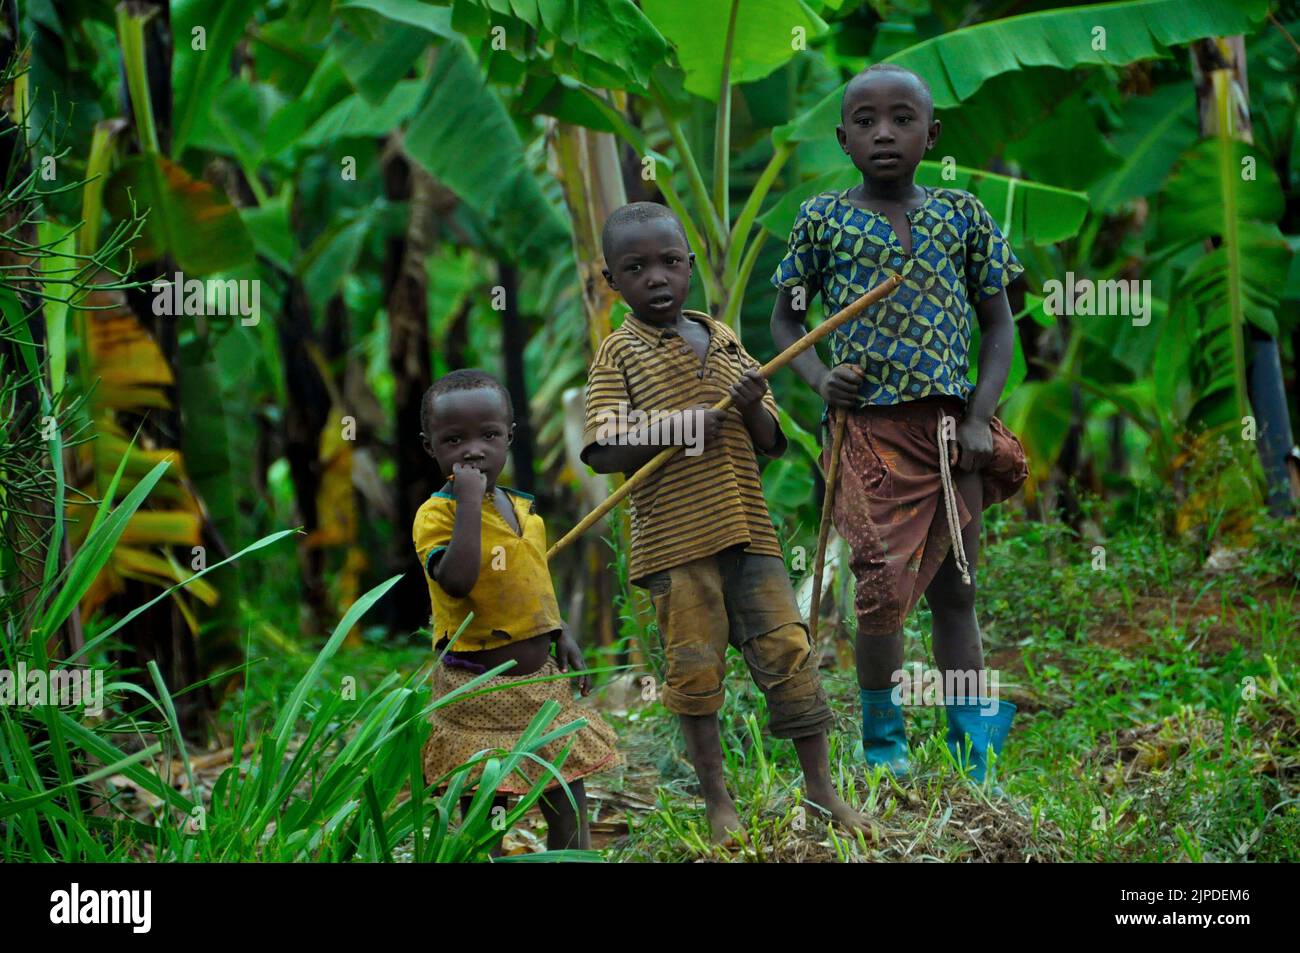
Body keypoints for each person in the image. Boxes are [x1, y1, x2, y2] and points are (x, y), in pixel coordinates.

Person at [769, 64, 1030, 785]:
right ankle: (884, 744)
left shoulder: (963, 214)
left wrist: (980, 417)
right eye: (866, 121)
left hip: (951, 434)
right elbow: (785, 317)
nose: (884, 132)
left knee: (958, 589)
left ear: (932, 133)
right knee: (880, 591)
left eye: (902, 118)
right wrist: (823, 377)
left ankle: (970, 749)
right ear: (843, 138)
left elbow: (999, 325)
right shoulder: (821, 219)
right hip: (869, 435)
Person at [582, 201, 869, 845]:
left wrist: (747, 405)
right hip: (676, 543)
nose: (656, 278)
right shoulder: (619, 353)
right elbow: (603, 447)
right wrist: (685, 427)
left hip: (750, 529)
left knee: (789, 654)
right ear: (612, 282)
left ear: (689, 266)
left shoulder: (722, 335)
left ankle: (821, 792)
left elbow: (770, 439)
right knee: (695, 668)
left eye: (669, 263)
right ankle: (718, 803)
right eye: (636, 268)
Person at [414, 369, 620, 850]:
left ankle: (571, 859)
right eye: (454, 439)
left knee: (567, 793)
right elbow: (458, 580)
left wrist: (558, 631)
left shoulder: (524, 511)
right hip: (477, 690)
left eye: (488, 436)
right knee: (486, 801)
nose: (473, 450)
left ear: (510, 437)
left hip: (541, 687)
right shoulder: (437, 514)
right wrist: (467, 504)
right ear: (431, 447)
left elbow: (531, 585)